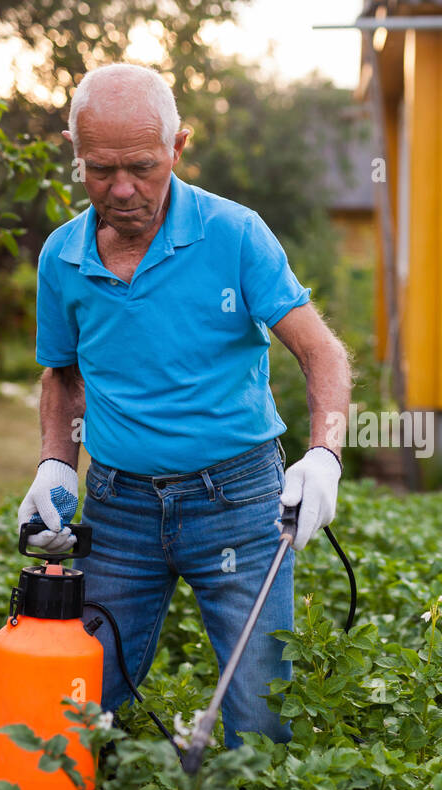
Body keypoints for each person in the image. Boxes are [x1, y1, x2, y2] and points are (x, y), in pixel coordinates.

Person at [17, 63, 352, 753]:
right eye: (100, 170)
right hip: (118, 508)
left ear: (178, 147)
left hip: (238, 500)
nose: (122, 190)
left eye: (141, 166)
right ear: (76, 155)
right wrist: (55, 465)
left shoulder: (234, 235)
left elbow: (322, 353)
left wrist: (325, 455)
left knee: (258, 715)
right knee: (81, 704)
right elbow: (62, 375)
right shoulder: (62, 258)